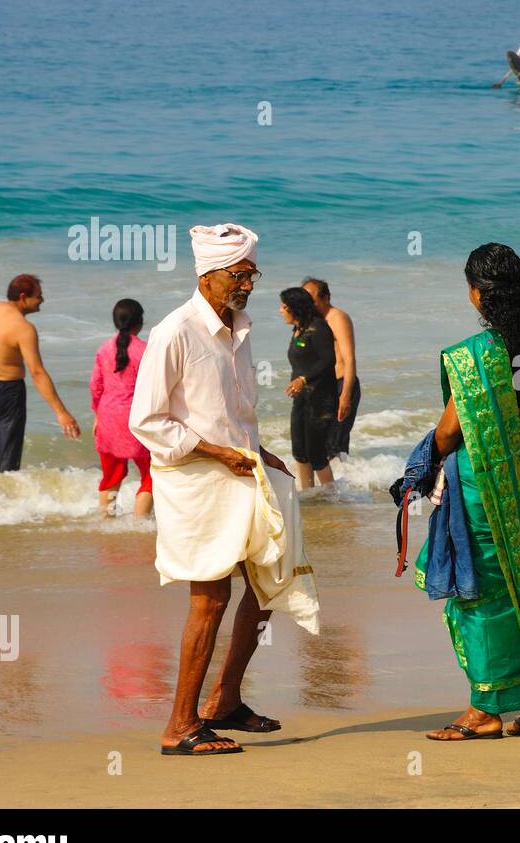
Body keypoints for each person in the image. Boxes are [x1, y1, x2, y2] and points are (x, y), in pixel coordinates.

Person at [130, 223, 320, 757]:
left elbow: (236, 410)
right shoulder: (176, 331)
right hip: (196, 482)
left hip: (244, 472)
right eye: (238, 275)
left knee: (265, 584)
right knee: (210, 598)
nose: (248, 285)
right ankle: (179, 726)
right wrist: (215, 451)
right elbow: (146, 420)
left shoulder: (240, 326)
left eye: (252, 274)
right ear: (207, 274)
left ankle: (225, 700)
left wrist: (261, 451)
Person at [416, 243, 520, 741]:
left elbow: (450, 433)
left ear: (478, 294)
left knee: (480, 590)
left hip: (484, 491)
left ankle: (484, 711)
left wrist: (422, 459)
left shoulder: (473, 357)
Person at [0, 274, 81, 475]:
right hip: (6, 392)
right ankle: (4, 505)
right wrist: (61, 413)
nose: (42, 300)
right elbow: (37, 372)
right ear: (23, 297)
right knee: (7, 460)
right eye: (38, 296)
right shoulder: (24, 329)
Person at [90, 298, 153, 517]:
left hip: (108, 418)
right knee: (150, 474)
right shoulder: (146, 350)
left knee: (111, 475)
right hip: (137, 418)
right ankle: (139, 524)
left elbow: (95, 386)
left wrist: (97, 415)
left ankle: (105, 520)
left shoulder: (103, 349)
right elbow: (155, 387)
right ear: (139, 322)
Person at [280, 287, 337, 490]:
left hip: (321, 401)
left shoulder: (318, 327)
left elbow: (328, 360)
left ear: (296, 307)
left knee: (317, 454)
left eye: (284, 306)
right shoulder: (299, 329)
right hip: (302, 399)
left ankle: (333, 498)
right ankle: (308, 495)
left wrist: (303, 379)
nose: (280, 310)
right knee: (300, 452)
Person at [302, 277, 360, 460]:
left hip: (341, 385)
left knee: (335, 445)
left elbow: (349, 359)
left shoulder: (337, 318)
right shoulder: (312, 320)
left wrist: (345, 395)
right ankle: (328, 486)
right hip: (323, 388)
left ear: (325, 298)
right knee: (319, 444)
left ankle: (343, 487)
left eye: (312, 298)